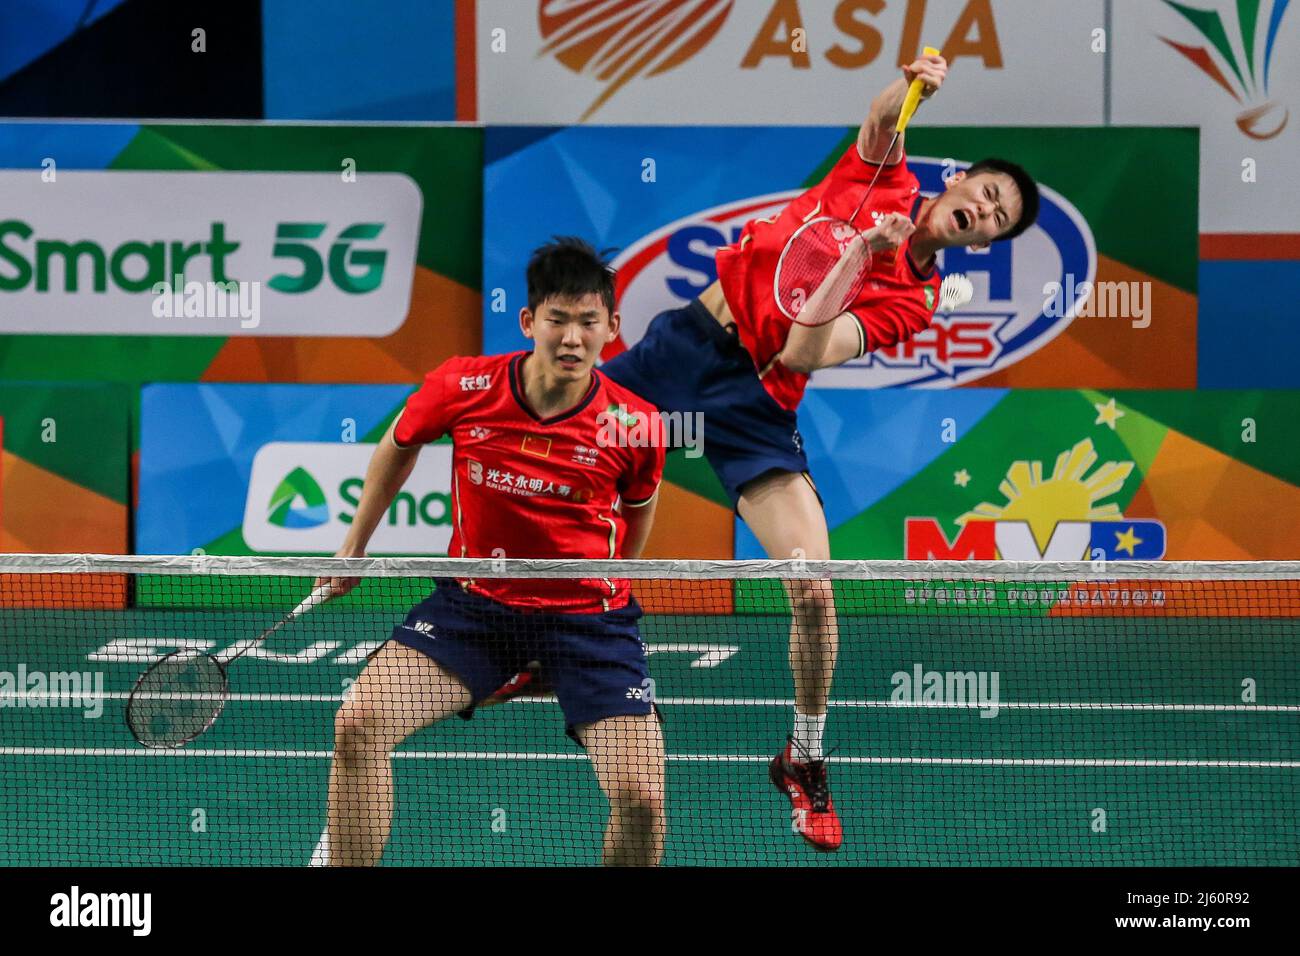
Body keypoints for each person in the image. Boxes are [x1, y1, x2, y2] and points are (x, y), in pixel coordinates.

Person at [599, 52, 1041, 852]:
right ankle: (531, 629)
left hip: (756, 402)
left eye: (999, 217)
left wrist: (861, 256)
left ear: (987, 242)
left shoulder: (914, 301)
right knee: (561, 451)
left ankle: (804, 757)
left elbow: (804, 352)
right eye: (986, 191)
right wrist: (914, 87)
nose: (985, 209)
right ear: (958, 181)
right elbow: (880, 123)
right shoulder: (885, 180)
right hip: (684, 345)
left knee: (813, 589)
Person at [311, 237, 667, 866]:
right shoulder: (462, 386)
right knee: (358, 723)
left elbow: (637, 511)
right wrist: (353, 548)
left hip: (589, 621)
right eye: (557, 320)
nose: (572, 339)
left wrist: (616, 583)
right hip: (477, 608)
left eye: (589, 323)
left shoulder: (635, 424)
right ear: (529, 321)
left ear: (612, 328)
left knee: (642, 799)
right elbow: (399, 442)